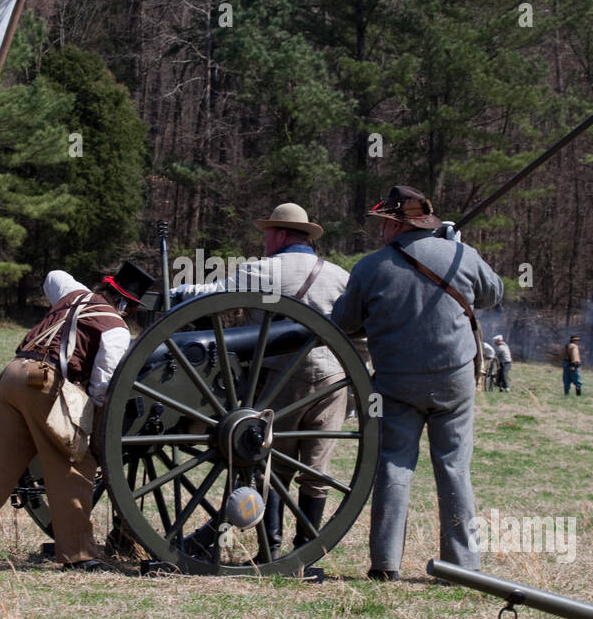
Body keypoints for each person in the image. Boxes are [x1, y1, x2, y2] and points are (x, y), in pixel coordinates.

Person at [331, 185, 503, 580]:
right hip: (454, 380)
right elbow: (494, 293)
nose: (380, 232)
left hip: (395, 383)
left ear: (395, 223)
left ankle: (386, 564)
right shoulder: (462, 255)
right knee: (455, 467)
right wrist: (459, 248)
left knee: (393, 467)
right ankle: (462, 565)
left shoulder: (370, 267)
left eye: (383, 223)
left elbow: (344, 322)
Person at [172, 202, 355, 559]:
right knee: (316, 469)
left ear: (282, 234)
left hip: (280, 378)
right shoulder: (339, 276)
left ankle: (269, 550)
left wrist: (177, 292)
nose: (265, 240)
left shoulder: (262, 270)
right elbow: (359, 336)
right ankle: (307, 551)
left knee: (269, 463)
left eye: (268, 233)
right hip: (333, 378)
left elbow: (213, 295)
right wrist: (350, 386)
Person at [0, 262, 153, 571]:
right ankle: (79, 556)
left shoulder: (73, 293)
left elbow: (53, 276)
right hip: (45, 384)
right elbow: (103, 385)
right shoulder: (115, 327)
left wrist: (82, 293)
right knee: (74, 465)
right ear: (126, 304)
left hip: (12, 375)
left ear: (107, 287)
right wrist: (94, 422)